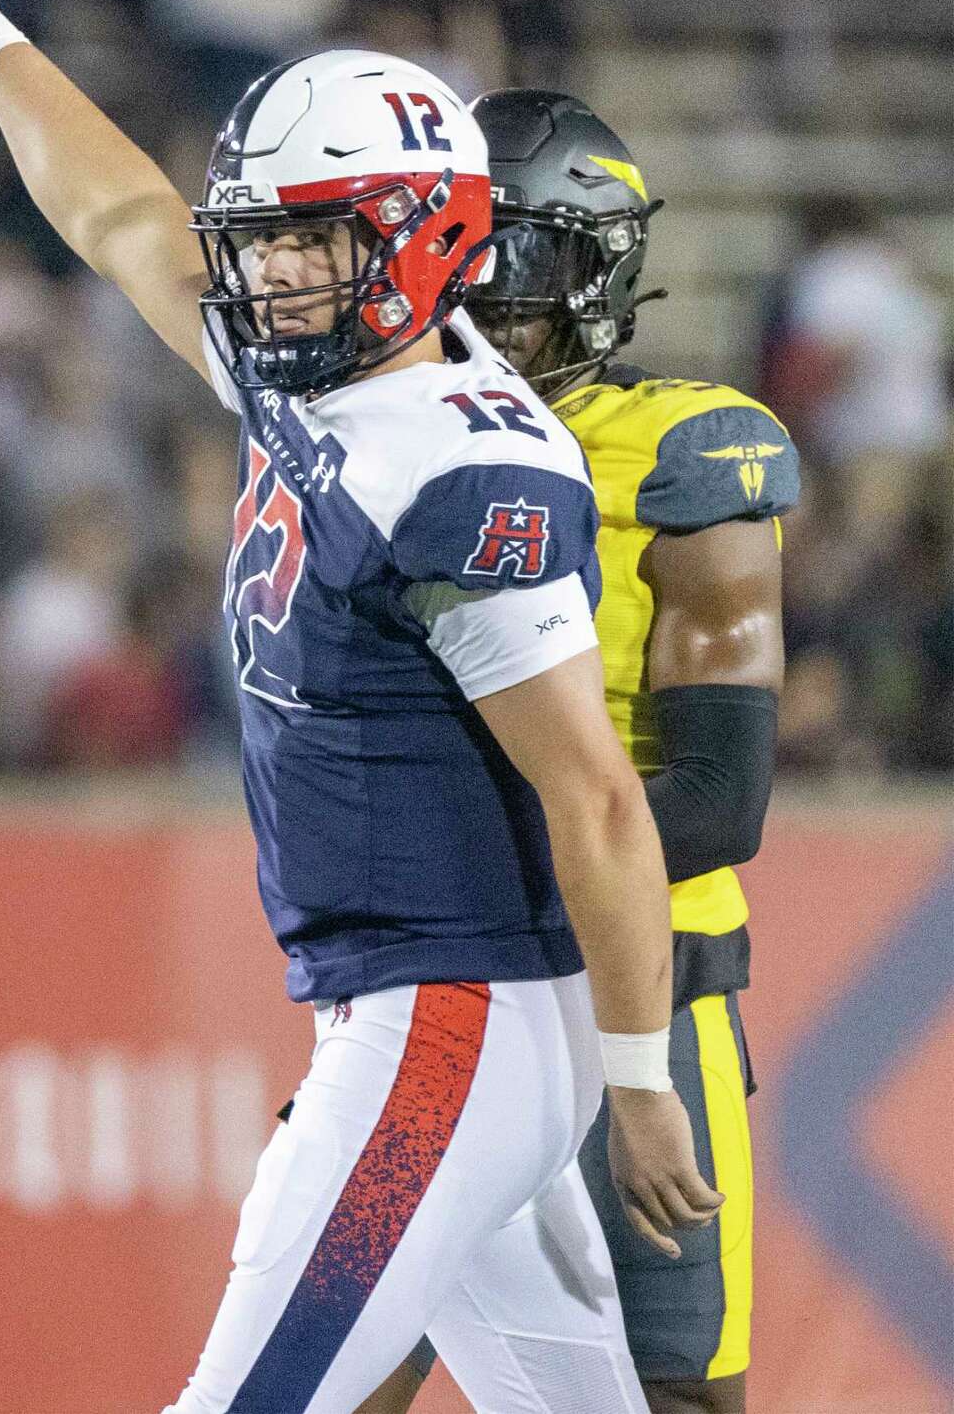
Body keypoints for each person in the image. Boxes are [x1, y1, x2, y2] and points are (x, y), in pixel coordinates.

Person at [0, 0, 724, 1413]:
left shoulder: (467, 461)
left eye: (312, 241)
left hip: (451, 1017)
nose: (272, 274)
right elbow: (120, 217)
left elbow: (593, 797)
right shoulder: (326, 370)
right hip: (449, 1018)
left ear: (430, 233)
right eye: (264, 240)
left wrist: (642, 1087)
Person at [357, 92, 800, 1414]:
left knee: (674, 1396)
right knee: (323, 1370)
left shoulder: (684, 451)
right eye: (455, 263)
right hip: (431, 994)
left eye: (515, 270)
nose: (477, 307)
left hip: (642, 982)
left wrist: (478, 872)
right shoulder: (380, 439)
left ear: (595, 273)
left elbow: (720, 798)